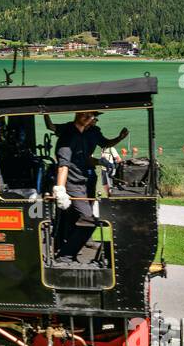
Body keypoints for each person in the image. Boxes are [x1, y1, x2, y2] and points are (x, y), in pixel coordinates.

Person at [51, 111, 128, 262]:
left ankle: (67, 249)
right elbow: (63, 165)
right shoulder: (68, 135)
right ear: (77, 114)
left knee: (76, 218)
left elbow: (86, 157)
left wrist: (101, 161)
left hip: (84, 180)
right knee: (89, 220)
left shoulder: (84, 134)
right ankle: (65, 256)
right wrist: (60, 189)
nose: (90, 118)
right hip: (72, 184)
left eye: (92, 116)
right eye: (85, 115)